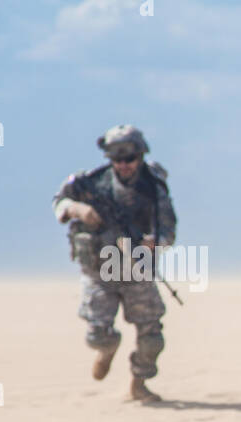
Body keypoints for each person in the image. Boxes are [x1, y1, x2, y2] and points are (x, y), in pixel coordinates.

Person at [53, 125, 176, 403]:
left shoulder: (154, 189)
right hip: (99, 270)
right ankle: (107, 350)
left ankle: (138, 383)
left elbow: (169, 230)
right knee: (97, 335)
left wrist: (154, 242)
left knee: (152, 337)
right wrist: (76, 209)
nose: (123, 165)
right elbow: (59, 201)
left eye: (129, 158)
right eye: (116, 159)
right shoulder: (90, 183)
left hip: (137, 269)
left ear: (140, 156)